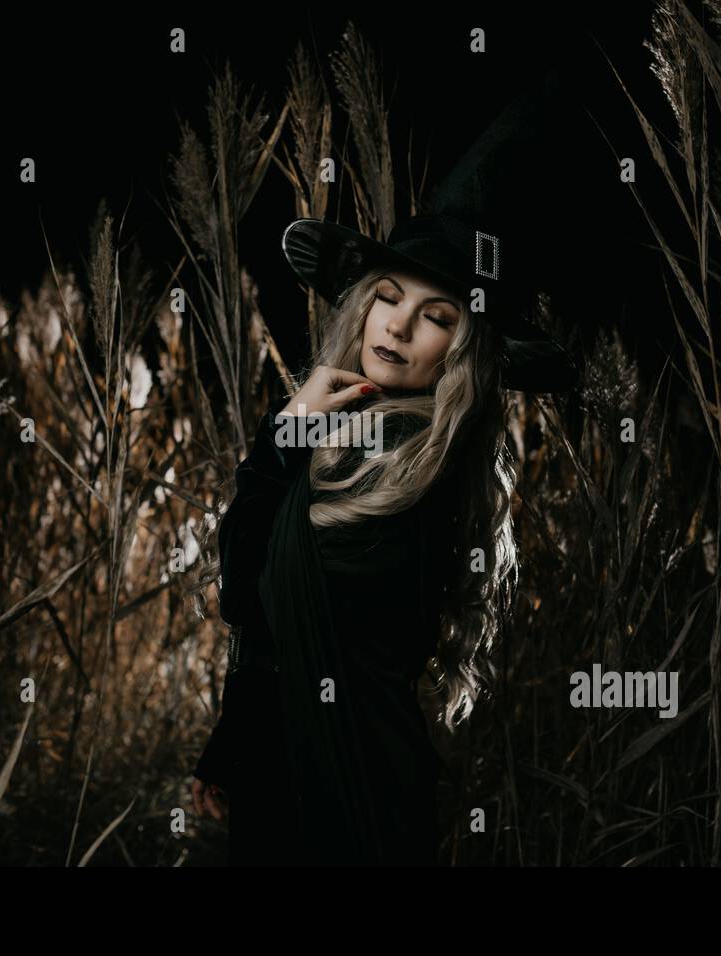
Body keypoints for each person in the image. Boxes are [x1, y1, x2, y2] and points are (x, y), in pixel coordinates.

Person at [192, 80, 583, 866]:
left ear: (463, 353)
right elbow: (265, 631)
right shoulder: (345, 434)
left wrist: (282, 441)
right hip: (283, 768)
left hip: (350, 787)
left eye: (437, 317)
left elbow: (250, 588)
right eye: (388, 298)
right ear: (363, 305)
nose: (399, 327)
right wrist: (231, 747)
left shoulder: (417, 472)